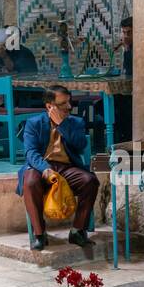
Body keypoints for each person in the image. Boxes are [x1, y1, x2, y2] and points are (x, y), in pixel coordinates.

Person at [16, 85, 99, 251]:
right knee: (30, 182)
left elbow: (80, 144)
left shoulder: (75, 122)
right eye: (63, 104)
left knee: (90, 181)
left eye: (70, 102)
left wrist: (62, 124)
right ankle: (39, 234)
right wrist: (45, 168)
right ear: (49, 106)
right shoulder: (33, 124)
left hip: (67, 168)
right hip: (40, 167)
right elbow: (31, 153)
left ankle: (77, 230)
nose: (68, 107)